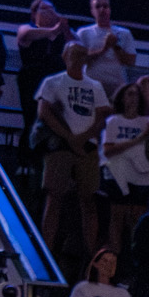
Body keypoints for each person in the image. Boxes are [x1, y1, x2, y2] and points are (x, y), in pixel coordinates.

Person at [36, 41, 108, 255]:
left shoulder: (95, 85)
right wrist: (69, 137)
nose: (78, 58)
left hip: (88, 147)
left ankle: (89, 254)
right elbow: (44, 112)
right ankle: (45, 249)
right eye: (74, 54)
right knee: (54, 195)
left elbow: (102, 115)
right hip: (59, 145)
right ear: (64, 56)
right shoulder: (53, 82)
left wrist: (83, 137)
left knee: (89, 200)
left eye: (82, 55)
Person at [99, 84, 149, 255]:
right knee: (117, 219)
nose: (133, 98)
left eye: (137, 95)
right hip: (117, 174)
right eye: (130, 94)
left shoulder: (146, 123)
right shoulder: (113, 122)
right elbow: (108, 150)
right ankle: (114, 261)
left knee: (136, 221)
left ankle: (134, 261)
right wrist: (139, 138)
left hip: (140, 177)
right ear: (122, 97)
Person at [16, 0, 71, 141]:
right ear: (34, 13)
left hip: (56, 80)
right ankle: (26, 158)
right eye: (44, 9)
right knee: (32, 118)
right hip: (31, 79)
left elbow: (76, 45)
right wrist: (53, 30)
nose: (49, 13)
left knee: (54, 119)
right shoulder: (27, 28)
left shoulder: (60, 32)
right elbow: (24, 36)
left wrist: (63, 27)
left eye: (51, 9)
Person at [75, 0, 138, 104]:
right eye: (98, 6)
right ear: (92, 11)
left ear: (110, 9)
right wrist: (104, 48)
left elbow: (130, 62)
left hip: (116, 87)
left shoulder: (124, 33)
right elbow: (78, 60)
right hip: (90, 86)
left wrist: (115, 46)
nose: (102, 9)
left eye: (105, 6)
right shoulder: (83, 33)